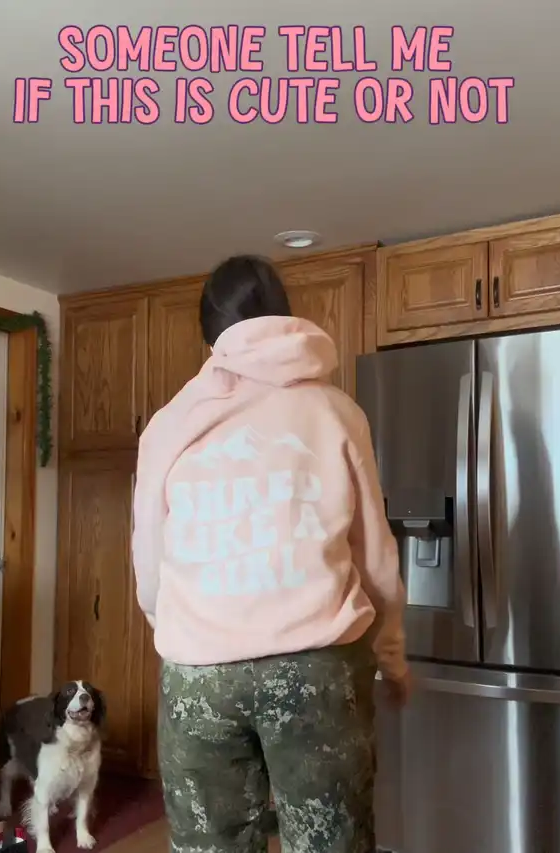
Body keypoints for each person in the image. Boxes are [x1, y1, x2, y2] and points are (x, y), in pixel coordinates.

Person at [132, 255, 410, 853]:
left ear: (210, 338)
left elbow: (149, 562)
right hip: (316, 666)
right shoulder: (336, 412)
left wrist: (181, 629)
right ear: (285, 318)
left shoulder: (168, 424)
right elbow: (374, 552)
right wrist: (391, 652)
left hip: (199, 673)